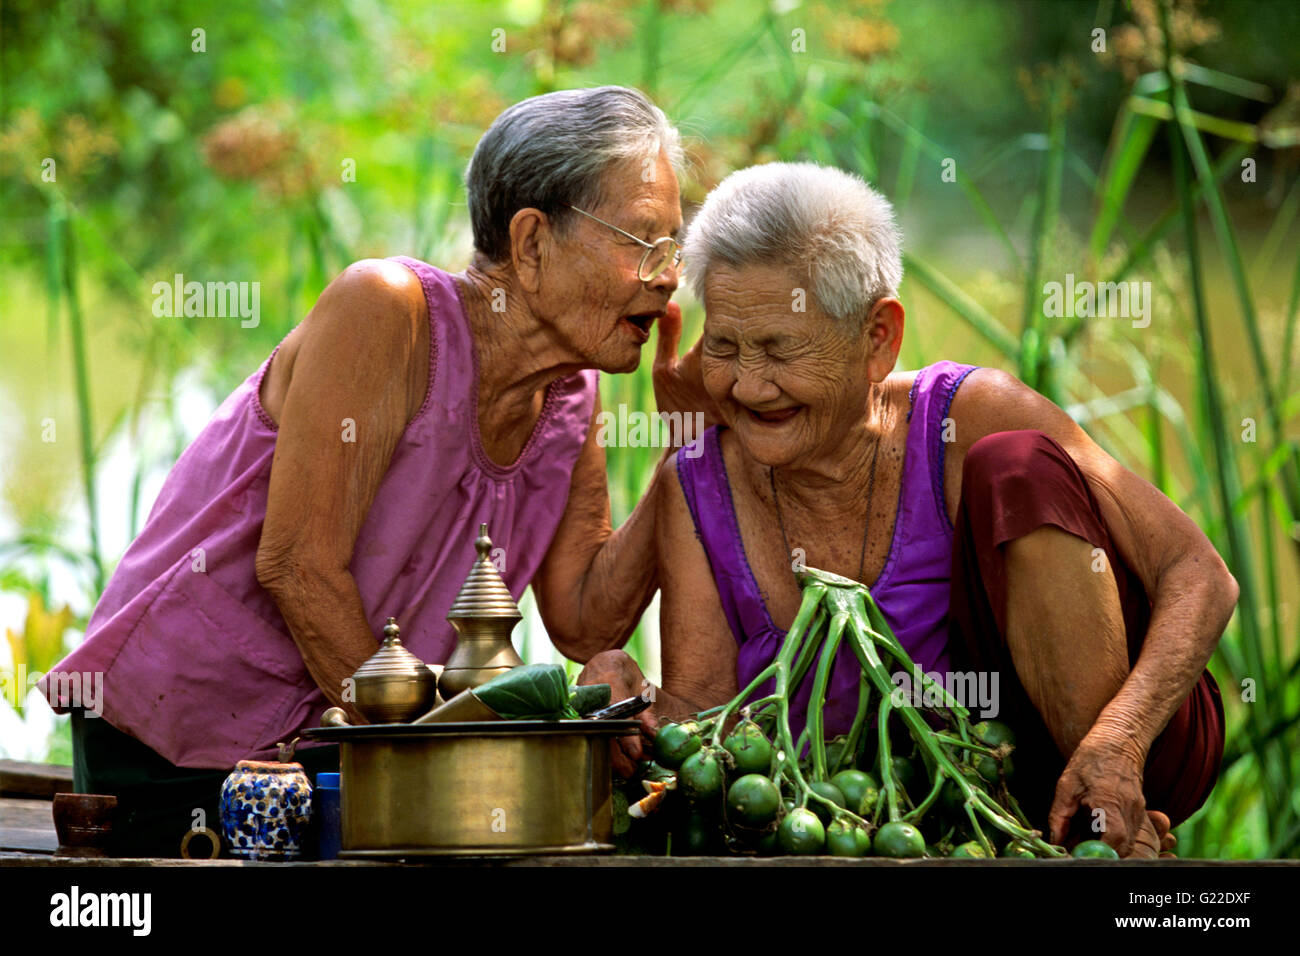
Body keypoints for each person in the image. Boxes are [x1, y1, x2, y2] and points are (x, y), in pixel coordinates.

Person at [39, 85, 685, 857]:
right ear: (533, 243)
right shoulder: (388, 310)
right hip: (180, 748)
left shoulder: (568, 393)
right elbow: (299, 567)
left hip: (347, 759)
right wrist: (435, 764)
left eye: (675, 248)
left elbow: (587, 619)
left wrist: (691, 449)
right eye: (643, 242)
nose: (669, 276)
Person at [580, 162, 1233, 858]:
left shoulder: (970, 415)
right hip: (931, 817)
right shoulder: (697, 484)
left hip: (1123, 752)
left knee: (1017, 470)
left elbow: (1200, 571)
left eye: (778, 348)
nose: (746, 385)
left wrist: (1119, 745)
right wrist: (625, 700)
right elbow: (709, 722)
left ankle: (1107, 822)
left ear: (878, 339)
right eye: (725, 347)